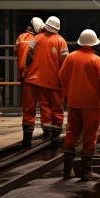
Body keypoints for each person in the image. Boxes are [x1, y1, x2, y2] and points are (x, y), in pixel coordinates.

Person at [59, 29, 100, 181]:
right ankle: (86, 172)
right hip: (91, 104)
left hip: (73, 102)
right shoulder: (96, 60)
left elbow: (62, 76)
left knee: (72, 132)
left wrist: (67, 93)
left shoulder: (70, 58)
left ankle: (67, 171)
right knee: (90, 135)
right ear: (94, 44)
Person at [22, 16, 68, 146]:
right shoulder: (61, 41)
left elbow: (28, 59)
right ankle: (52, 137)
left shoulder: (35, 39)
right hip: (52, 81)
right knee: (52, 109)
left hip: (32, 80)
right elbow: (66, 63)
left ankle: (27, 139)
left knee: (29, 110)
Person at [16, 17, 44, 82]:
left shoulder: (20, 36)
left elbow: (15, 50)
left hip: (21, 67)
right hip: (31, 70)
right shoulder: (37, 38)